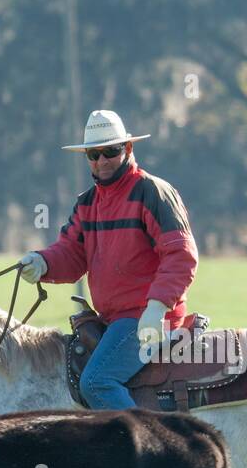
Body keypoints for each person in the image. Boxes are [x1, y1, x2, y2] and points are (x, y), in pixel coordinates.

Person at [19, 109, 198, 409]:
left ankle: (149, 446)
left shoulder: (152, 191)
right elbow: (72, 254)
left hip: (148, 319)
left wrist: (157, 307)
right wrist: (43, 262)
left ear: (128, 148)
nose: (102, 161)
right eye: (94, 153)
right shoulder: (87, 203)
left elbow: (180, 255)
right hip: (115, 321)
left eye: (111, 151)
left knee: (96, 382)